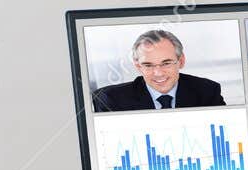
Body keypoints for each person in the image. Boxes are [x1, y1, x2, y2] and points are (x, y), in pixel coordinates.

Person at [92, 29, 225, 111]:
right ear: (138, 66)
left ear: (181, 61)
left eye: (166, 63)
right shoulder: (110, 100)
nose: (158, 73)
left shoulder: (207, 92)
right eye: (148, 65)